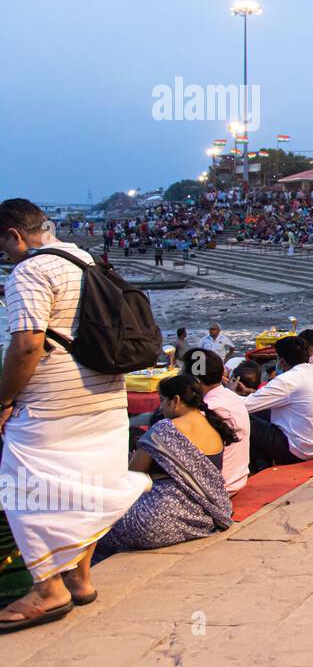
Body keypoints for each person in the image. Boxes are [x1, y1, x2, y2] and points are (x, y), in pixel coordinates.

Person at [0, 200, 150, 633]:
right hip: (106, 400)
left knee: (25, 493)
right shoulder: (86, 260)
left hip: (52, 407)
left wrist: (4, 398)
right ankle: (80, 579)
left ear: (14, 235)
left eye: (2, 245)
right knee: (83, 492)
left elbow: (27, 346)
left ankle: (49, 591)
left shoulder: (28, 272)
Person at [96, 374, 234, 557]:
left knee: (95, 522)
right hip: (203, 519)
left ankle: (79, 576)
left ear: (175, 400)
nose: (160, 407)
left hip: (157, 520)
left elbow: (133, 474)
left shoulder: (164, 429)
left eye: (162, 401)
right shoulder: (214, 426)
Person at [242, 335, 313, 472]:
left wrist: (227, 392)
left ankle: (255, 468)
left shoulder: (287, 380)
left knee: (241, 418)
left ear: (281, 361)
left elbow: (244, 406)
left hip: (299, 450)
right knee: (260, 412)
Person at [179, 347, 251, 495]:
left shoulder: (204, 411)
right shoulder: (231, 397)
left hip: (216, 490)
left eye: (182, 373)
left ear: (195, 381)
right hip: (236, 480)